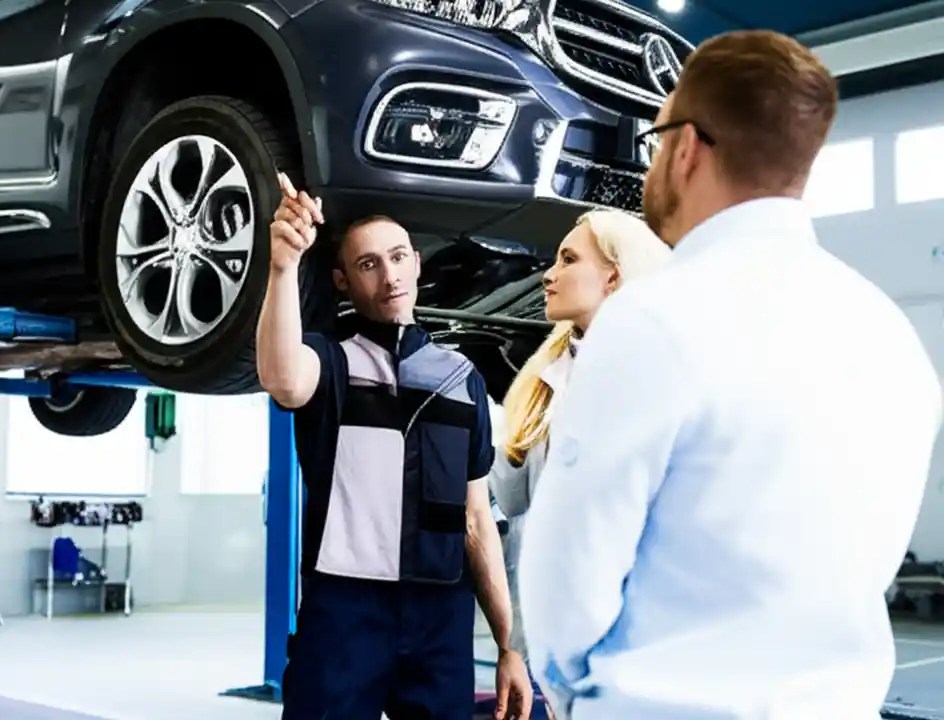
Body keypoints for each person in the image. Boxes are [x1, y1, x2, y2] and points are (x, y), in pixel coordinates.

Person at [516, 29, 943, 720]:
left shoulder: (649, 322)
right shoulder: (890, 335)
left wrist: (581, 698)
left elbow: (567, 588)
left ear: (686, 149)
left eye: (656, 142)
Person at [257, 172, 534, 720]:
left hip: (440, 616)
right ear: (342, 281)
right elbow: (283, 378)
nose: (389, 275)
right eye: (368, 264)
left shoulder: (461, 378)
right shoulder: (333, 362)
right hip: (344, 612)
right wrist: (283, 264)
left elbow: (476, 520)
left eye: (398, 256)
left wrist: (509, 644)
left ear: (416, 264)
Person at [488, 209, 671, 656]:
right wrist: (494, 427)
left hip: (634, 636)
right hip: (554, 631)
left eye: (568, 260)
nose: (549, 276)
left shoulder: (661, 375)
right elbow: (512, 499)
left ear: (613, 277)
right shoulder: (544, 377)